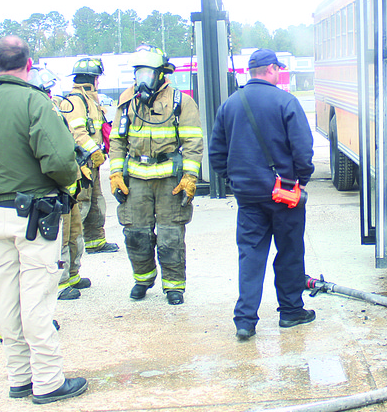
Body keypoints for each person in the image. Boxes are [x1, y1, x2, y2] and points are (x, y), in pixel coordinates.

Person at [0, 36, 88, 404]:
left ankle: (20, 377)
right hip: (36, 216)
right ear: (29, 65)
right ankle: (47, 381)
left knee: (6, 298)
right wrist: (65, 181)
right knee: (38, 299)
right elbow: (60, 162)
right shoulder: (35, 102)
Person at [209, 49, 315, 341]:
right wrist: (298, 181)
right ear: (270, 69)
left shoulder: (229, 105)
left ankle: (245, 321)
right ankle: (291, 312)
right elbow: (304, 151)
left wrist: (235, 181)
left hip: (248, 198)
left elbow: (217, 154)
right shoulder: (286, 102)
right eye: (278, 68)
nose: (280, 72)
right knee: (290, 253)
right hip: (285, 196)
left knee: (251, 256)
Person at [108, 45, 203, 305]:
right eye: (139, 73)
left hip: (169, 181)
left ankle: (174, 286)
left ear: (161, 74)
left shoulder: (181, 102)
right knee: (136, 234)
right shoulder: (127, 102)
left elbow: (193, 143)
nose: (142, 79)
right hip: (136, 179)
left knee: (171, 235)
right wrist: (116, 174)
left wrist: (189, 177)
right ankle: (142, 279)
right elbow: (116, 142)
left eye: (148, 73)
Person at [53, 56, 120, 302]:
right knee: (76, 214)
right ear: (94, 79)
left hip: (93, 164)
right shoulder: (75, 102)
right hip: (82, 165)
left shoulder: (91, 101)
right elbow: (77, 132)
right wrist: (93, 151)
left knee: (95, 205)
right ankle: (64, 274)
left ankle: (94, 242)